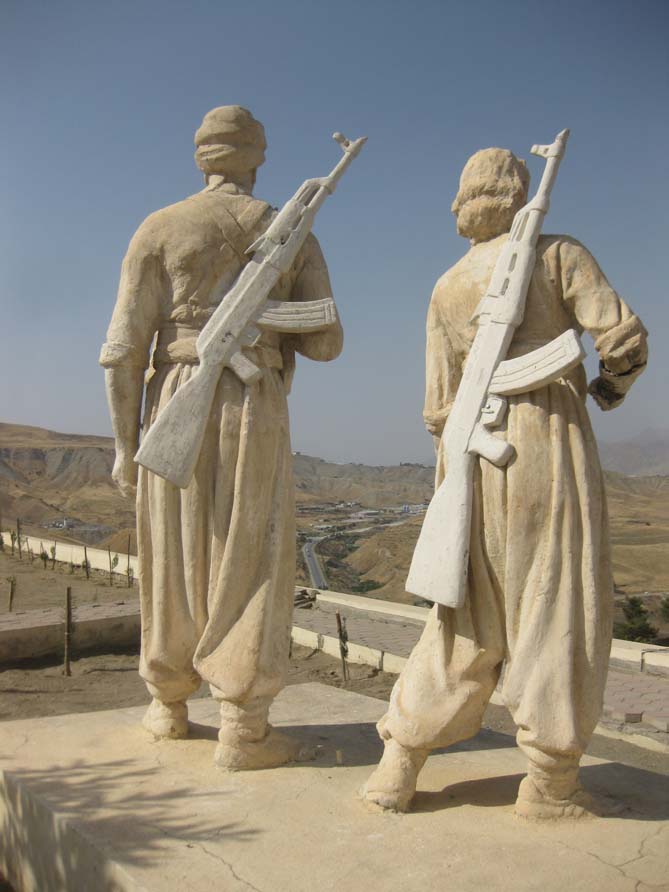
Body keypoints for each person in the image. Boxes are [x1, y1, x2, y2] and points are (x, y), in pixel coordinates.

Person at [361, 147, 648, 818]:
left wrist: (453, 478)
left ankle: (397, 762)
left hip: (470, 458)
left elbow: (436, 406)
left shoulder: (445, 285)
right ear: (517, 195)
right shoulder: (557, 254)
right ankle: (550, 783)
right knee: (554, 610)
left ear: (464, 205)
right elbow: (624, 342)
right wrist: (609, 390)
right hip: (548, 444)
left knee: (461, 623)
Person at [100, 105, 342, 769]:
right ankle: (243, 723)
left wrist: (125, 446)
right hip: (251, 402)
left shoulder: (158, 227)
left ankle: (167, 705)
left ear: (200, 158)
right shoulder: (287, 231)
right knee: (249, 557)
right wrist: (266, 318)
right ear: (257, 159)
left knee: (170, 557)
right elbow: (327, 341)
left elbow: (122, 352)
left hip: (170, 394)